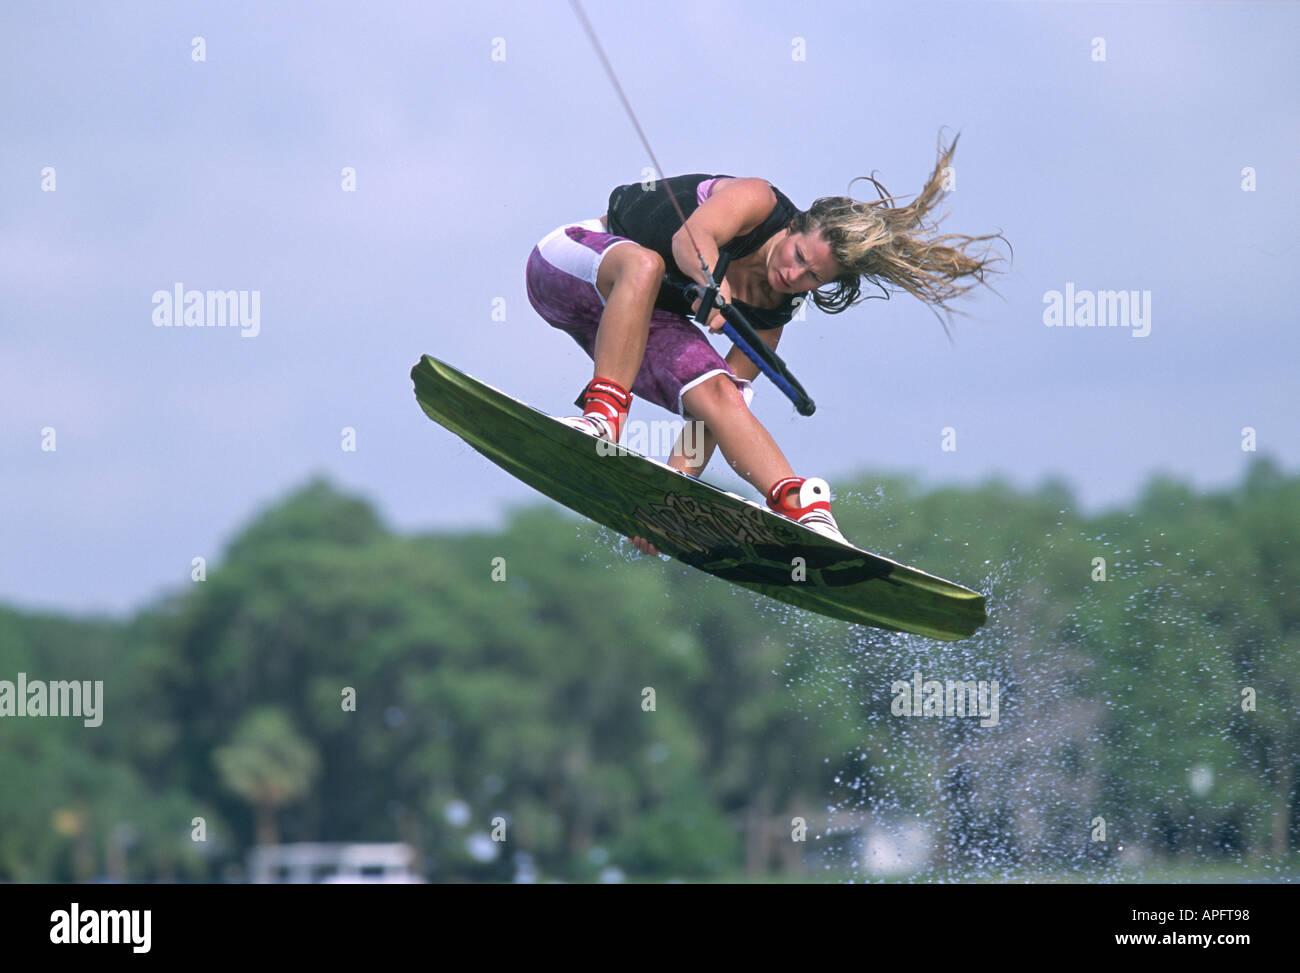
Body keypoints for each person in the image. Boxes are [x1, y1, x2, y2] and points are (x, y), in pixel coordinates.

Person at [524, 132, 1007, 555]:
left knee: (723, 393)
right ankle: (602, 420)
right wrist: (712, 283)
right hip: (571, 270)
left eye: (812, 277)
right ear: (793, 226)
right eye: (797, 254)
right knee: (645, 267)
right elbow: (693, 237)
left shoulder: (773, 313)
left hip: (636, 323)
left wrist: (665, 498)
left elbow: (710, 419)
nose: (793, 274)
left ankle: (799, 507)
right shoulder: (757, 200)